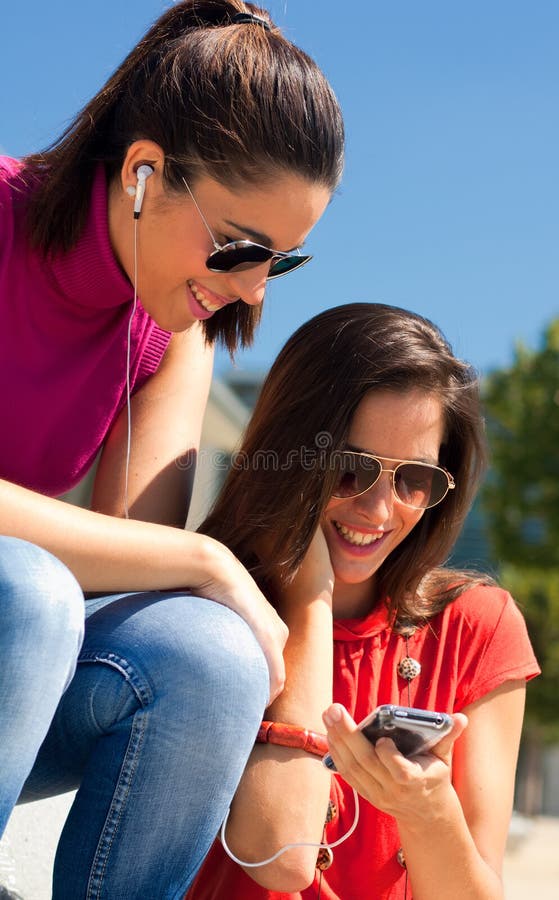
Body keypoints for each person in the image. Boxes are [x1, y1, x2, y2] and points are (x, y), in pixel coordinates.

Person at [0, 1, 344, 896]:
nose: (250, 288)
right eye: (240, 247)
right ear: (143, 173)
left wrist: (210, 579)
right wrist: (206, 558)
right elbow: (145, 561)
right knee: (28, 588)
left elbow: (125, 578)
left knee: (206, 654)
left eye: (282, 262)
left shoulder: (167, 335)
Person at [186, 302, 540, 900]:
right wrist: (309, 597)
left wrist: (428, 814)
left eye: (413, 480)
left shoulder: (478, 627)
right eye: (350, 469)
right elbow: (280, 856)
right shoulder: (201, 608)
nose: (379, 511)